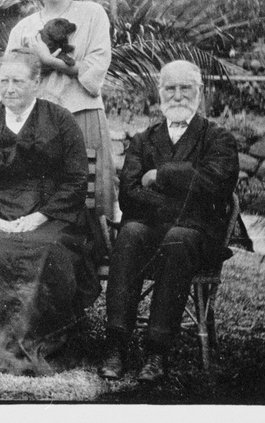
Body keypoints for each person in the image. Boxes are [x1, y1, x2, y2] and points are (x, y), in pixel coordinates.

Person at [0, 49, 102, 375]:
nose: (9, 89)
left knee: (47, 250)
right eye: (4, 81)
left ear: (36, 83)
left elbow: (75, 181)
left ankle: (37, 342)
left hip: (51, 214)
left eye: (18, 81)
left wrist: (40, 217)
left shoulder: (61, 121)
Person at [99, 60, 239, 382]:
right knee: (131, 231)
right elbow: (129, 196)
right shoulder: (144, 139)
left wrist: (160, 174)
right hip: (153, 231)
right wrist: (181, 200)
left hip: (197, 239)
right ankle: (116, 345)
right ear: (160, 93)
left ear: (199, 93)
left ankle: (156, 351)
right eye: (170, 88)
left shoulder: (217, 138)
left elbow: (215, 186)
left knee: (179, 236)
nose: (178, 96)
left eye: (185, 88)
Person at [4, 0, 116, 220]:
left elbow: (96, 70)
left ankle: (99, 256)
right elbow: (9, 80)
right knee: (41, 199)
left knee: (92, 199)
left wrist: (50, 61)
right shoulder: (23, 28)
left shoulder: (92, 14)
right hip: (38, 124)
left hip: (83, 116)